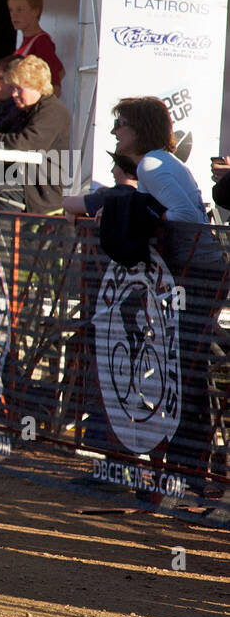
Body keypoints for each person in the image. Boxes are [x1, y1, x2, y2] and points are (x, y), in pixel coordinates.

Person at [69, 97, 227, 491]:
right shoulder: (155, 163)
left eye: (120, 123)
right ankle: (183, 471)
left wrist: (141, 215)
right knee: (183, 370)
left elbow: (186, 218)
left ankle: (187, 474)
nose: (114, 132)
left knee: (186, 371)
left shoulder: (153, 164)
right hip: (194, 275)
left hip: (197, 275)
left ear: (139, 128)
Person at [0, 55, 71, 213]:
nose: (14, 94)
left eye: (19, 88)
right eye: (13, 88)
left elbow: (24, 144)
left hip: (38, 192)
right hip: (21, 181)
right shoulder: (25, 110)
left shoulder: (53, 111)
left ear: (37, 86)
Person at [7, 0, 64, 94]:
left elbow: (54, 84)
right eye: (11, 10)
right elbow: (61, 70)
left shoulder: (41, 42)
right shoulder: (27, 41)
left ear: (35, 12)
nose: (14, 15)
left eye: (19, 9)